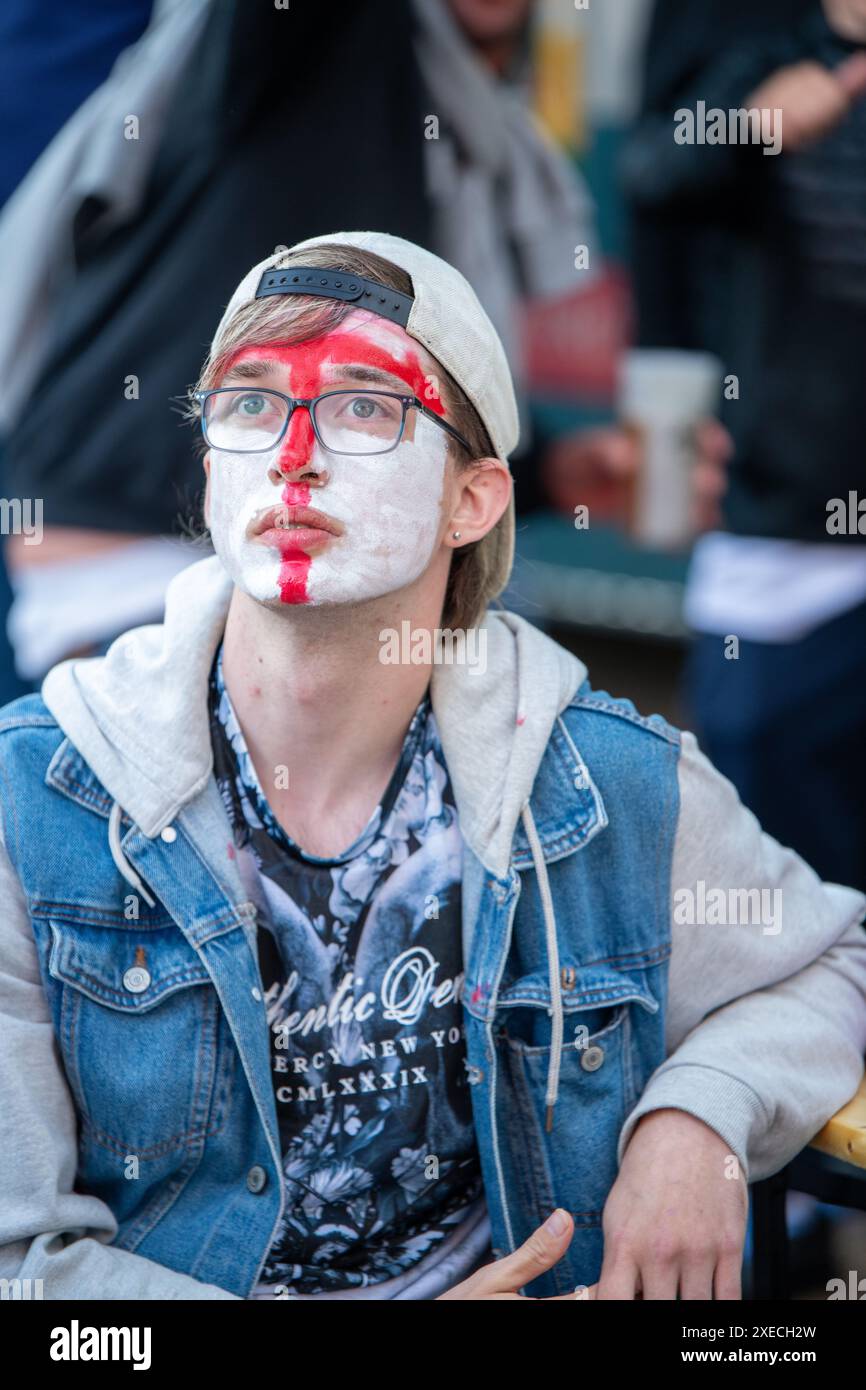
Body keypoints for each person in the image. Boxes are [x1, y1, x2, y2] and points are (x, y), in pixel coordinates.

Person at [1, 231, 865, 1301]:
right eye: (252, 403)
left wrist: (703, 1113)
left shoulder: (594, 779)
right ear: (212, 469)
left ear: (474, 501)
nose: (294, 451)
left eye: (365, 405)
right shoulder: (37, 802)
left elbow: (833, 959)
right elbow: (21, 1270)